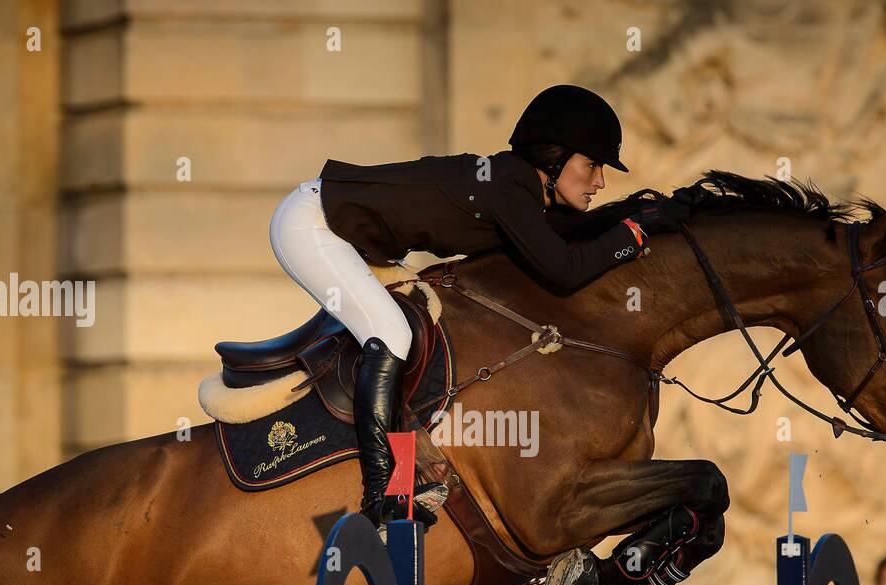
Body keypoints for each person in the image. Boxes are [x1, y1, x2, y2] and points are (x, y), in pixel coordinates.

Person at [268, 85, 689, 527]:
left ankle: (402, 470)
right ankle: (382, 490)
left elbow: (573, 234)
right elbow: (565, 270)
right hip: (313, 225)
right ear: (554, 158)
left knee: (404, 338)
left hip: (344, 232)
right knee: (392, 333)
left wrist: (642, 221)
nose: (600, 181)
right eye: (592, 165)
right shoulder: (508, 187)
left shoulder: (519, 188)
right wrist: (634, 236)